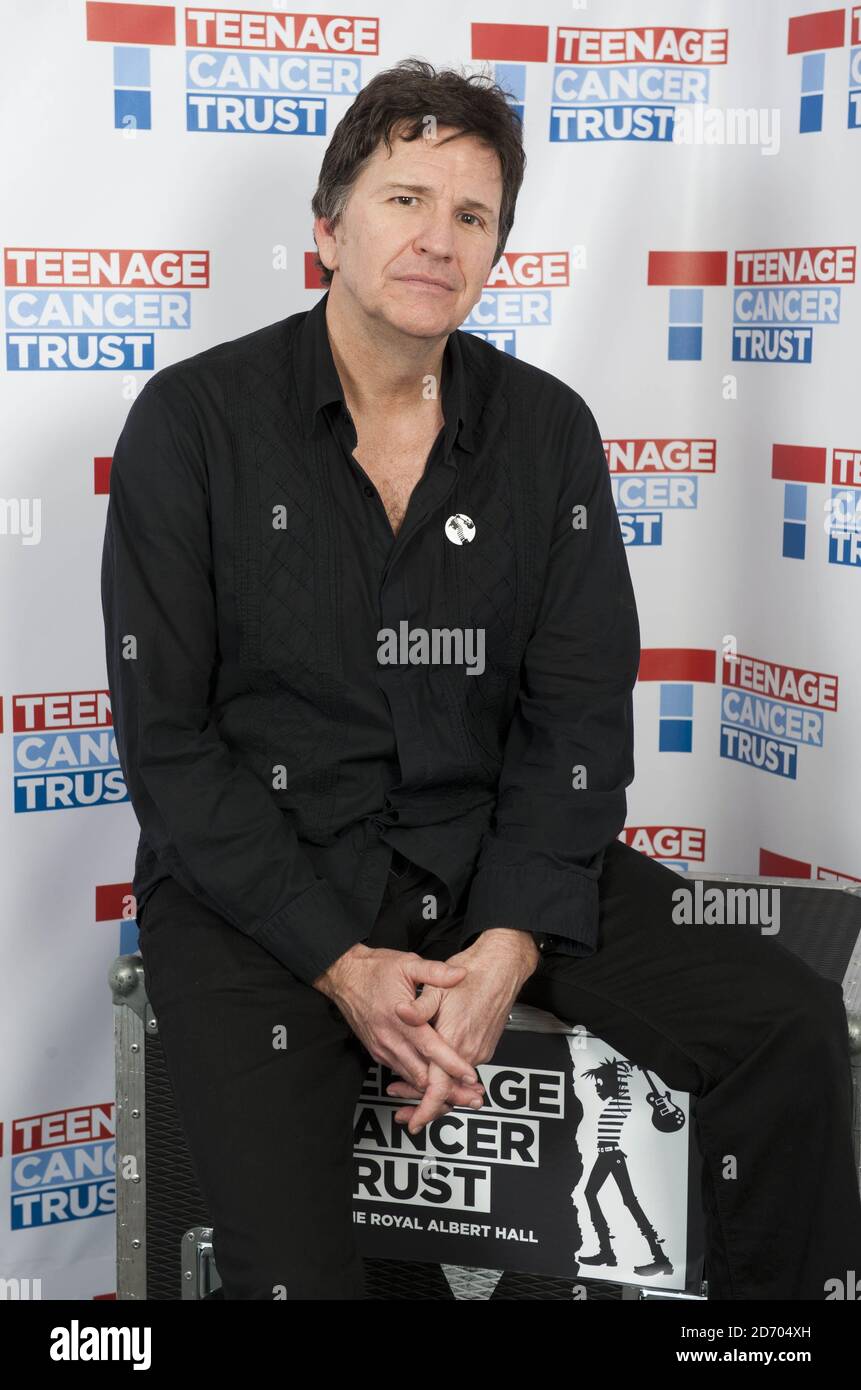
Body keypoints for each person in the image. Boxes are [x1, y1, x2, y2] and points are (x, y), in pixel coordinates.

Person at [100, 59, 861, 1300]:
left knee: (783, 1028)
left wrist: (509, 939)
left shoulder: (548, 431)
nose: (437, 240)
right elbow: (171, 749)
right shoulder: (189, 425)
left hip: (489, 857)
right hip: (264, 886)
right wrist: (342, 962)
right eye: (405, 200)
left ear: (499, 248)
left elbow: (577, 719)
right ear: (328, 222)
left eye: (473, 216)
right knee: (299, 1275)